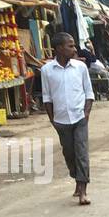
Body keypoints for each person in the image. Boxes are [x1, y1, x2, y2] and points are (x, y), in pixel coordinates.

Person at [40, 32, 95, 205]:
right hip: (61, 120)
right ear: (59, 49)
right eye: (70, 46)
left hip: (79, 117)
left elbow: (89, 92)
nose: (74, 49)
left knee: (81, 153)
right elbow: (47, 97)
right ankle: (76, 178)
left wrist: (86, 113)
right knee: (69, 153)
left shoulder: (80, 67)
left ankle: (83, 190)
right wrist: (52, 120)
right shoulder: (46, 70)